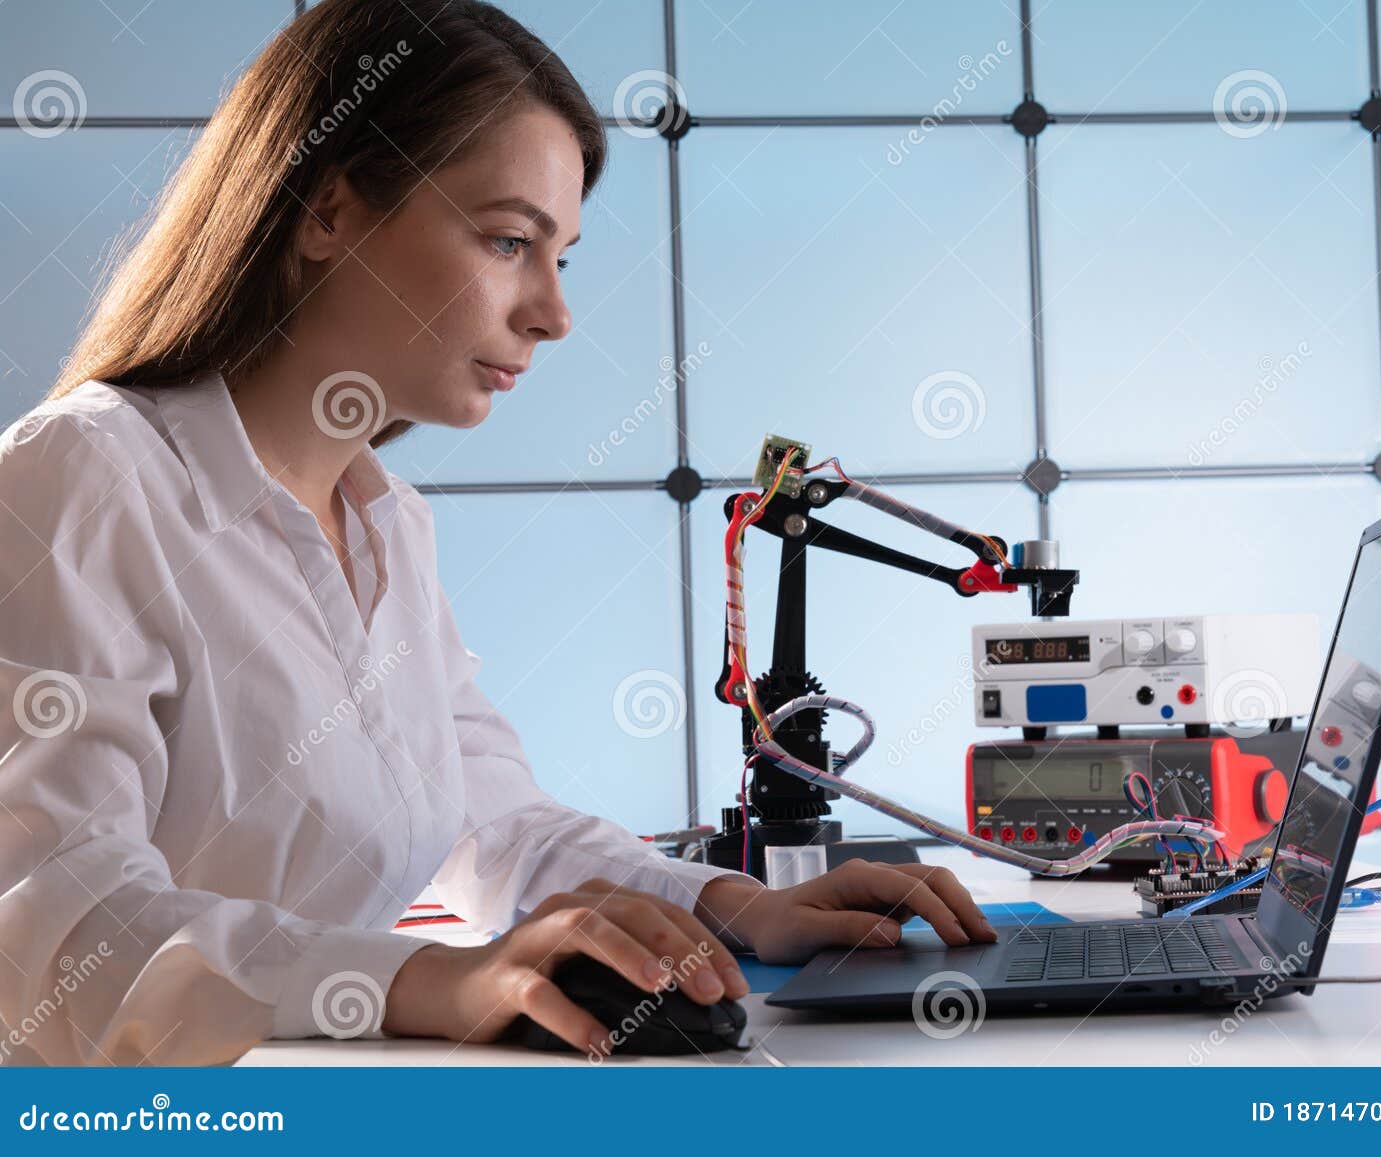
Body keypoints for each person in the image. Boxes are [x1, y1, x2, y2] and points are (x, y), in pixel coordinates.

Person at [0, 0, 995, 1066]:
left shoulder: (385, 524)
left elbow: (492, 822)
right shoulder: (85, 475)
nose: (552, 313)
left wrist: (735, 902)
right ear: (328, 210)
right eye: (508, 240)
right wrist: (438, 979)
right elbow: (55, 924)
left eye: (559, 254)